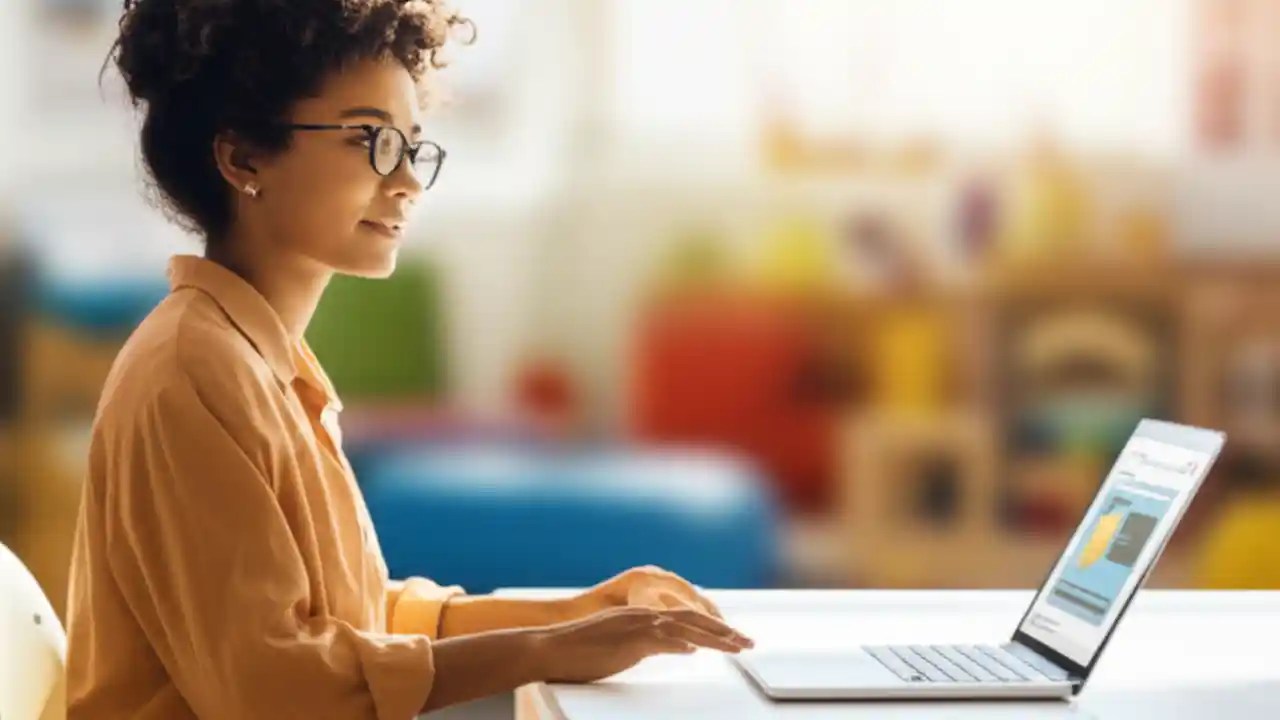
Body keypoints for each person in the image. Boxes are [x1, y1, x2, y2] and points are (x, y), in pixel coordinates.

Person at [65, 1, 753, 718]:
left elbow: (357, 619)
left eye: (410, 144)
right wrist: (543, 652)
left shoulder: (264, 361)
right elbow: (274, 688)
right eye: (370, 140)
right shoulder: (192, 371)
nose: (408, 182)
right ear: (242, 158)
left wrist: (579, 614)